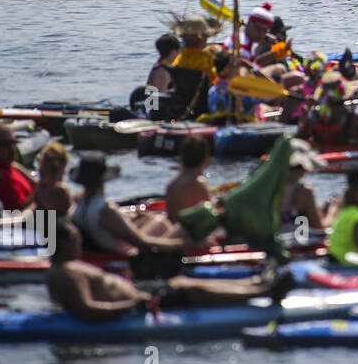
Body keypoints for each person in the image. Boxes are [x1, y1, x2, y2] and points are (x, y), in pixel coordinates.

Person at [46, 220, 294, 322]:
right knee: (187, 288)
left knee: (179, 282)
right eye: (76, 240)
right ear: (66, 243)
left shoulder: (61, 269)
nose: (80, 245)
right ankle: (261, 291)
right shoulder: (67, 271)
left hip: (137, 297)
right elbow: (86, 310)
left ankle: (256, 285)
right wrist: (133, 304)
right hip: (137, 305)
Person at [72, 152, 192, 254]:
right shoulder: (105, 211)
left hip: (105, 247)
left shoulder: (80, 205)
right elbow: (143, 243)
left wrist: (134, 218)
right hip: (127, 254)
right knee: (163, 223)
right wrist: (183, 244)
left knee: (148, 218)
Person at [297, 71, 358, 149]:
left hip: (325, 154)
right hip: (351, 159)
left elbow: (300, 136)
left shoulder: (313, 115)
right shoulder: (354, 116)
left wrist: (306, 109)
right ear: (344, 92)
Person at [0, 124, 37, 211]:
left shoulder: (14, 166)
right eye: (6, 144)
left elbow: (37, 185)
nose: (12, 148)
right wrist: (39, 197)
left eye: (13, 143)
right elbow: (17, 211)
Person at [164, 136, 212, 224]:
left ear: (181, 159)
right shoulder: (199, 184)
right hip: (189, 234)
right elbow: (209, 215)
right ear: (206, 160)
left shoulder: (171, 185)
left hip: (174, 231)